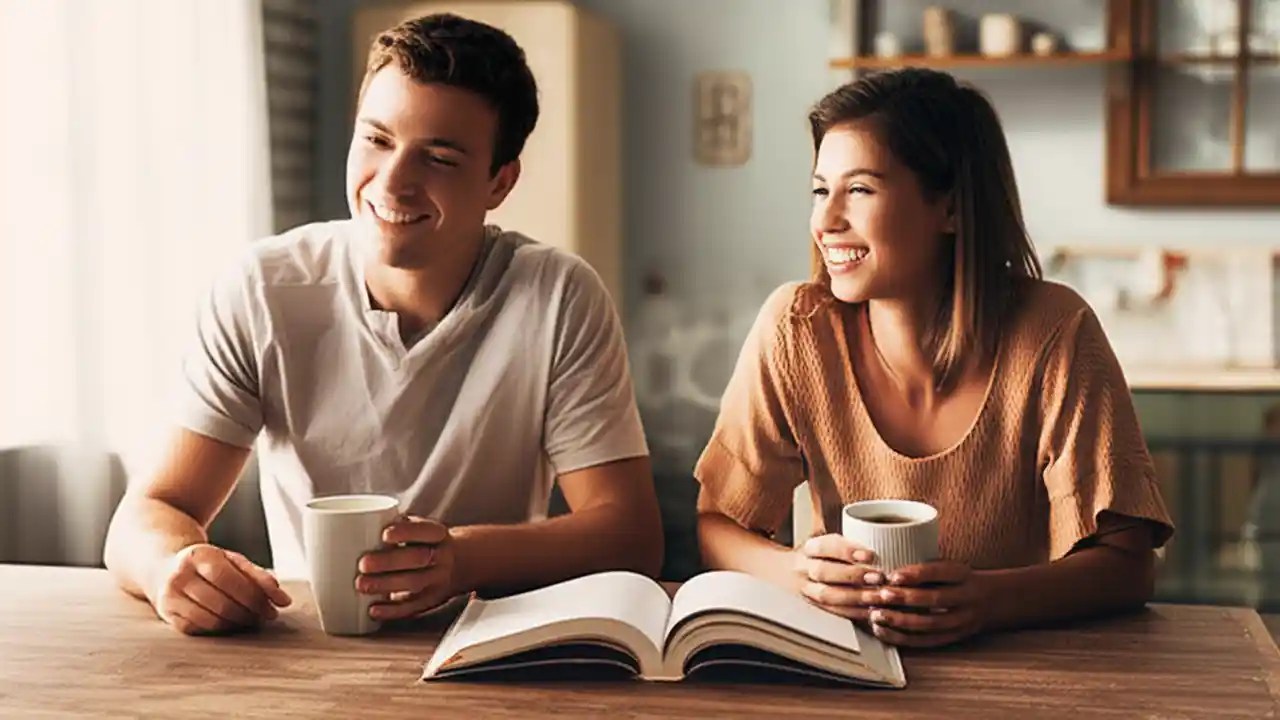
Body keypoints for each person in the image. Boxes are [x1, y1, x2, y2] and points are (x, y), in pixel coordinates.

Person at [104, 13, 662, 635]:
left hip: (490, 648)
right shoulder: (265, 288)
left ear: (500, 182)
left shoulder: (557, 295)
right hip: (312, 646)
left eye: (440, 159)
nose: (393, 182)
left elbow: (629, 536)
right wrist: (170, 570)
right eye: (376, 140)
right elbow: (150, 511)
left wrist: (462, 559)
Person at [693, 68, 1174, 648]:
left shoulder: (1055, 332)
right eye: (822, 190)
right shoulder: (797, 330)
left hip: (1017, 677)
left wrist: (988, 601)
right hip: (844, 674)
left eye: (861, 190)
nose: (826, 221)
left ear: (950, 208)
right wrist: (796, 572)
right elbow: (718, 526)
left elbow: (1128, 565)